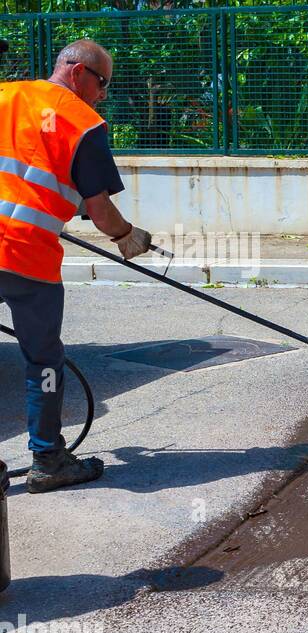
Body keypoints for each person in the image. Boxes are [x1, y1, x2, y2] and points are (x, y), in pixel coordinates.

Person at [0, 39, 151, 492]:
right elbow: (99, 210)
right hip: (28, 258)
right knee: (43, 360)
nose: (103, 94)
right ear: (78, 71)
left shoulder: (5, 96)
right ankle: (48, 460)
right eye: (102, 82)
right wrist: (128, 237)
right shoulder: (84, 123)